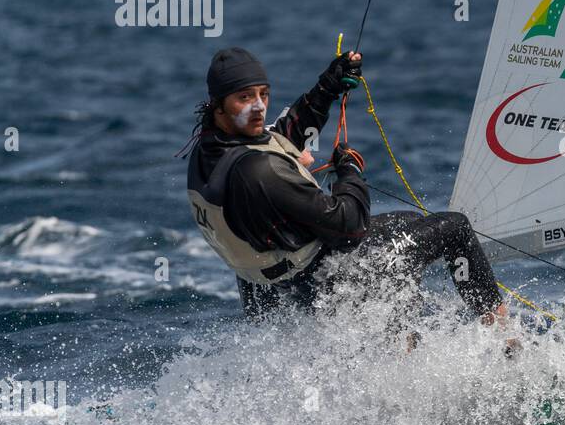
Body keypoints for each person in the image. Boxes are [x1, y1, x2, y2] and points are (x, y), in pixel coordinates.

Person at [182, 47, 506, 328]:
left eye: (263, 95)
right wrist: (350, 171)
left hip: (270, 290)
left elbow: (281, 136)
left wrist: (327, 87)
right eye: (244, 98)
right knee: (454, 228)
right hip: (324, 281)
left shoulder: (210, 149)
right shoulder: (261, 172)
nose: (258, 107)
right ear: (218, 104)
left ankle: (399, 336)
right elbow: (350, 225)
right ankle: (505, 339)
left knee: (407, 223)